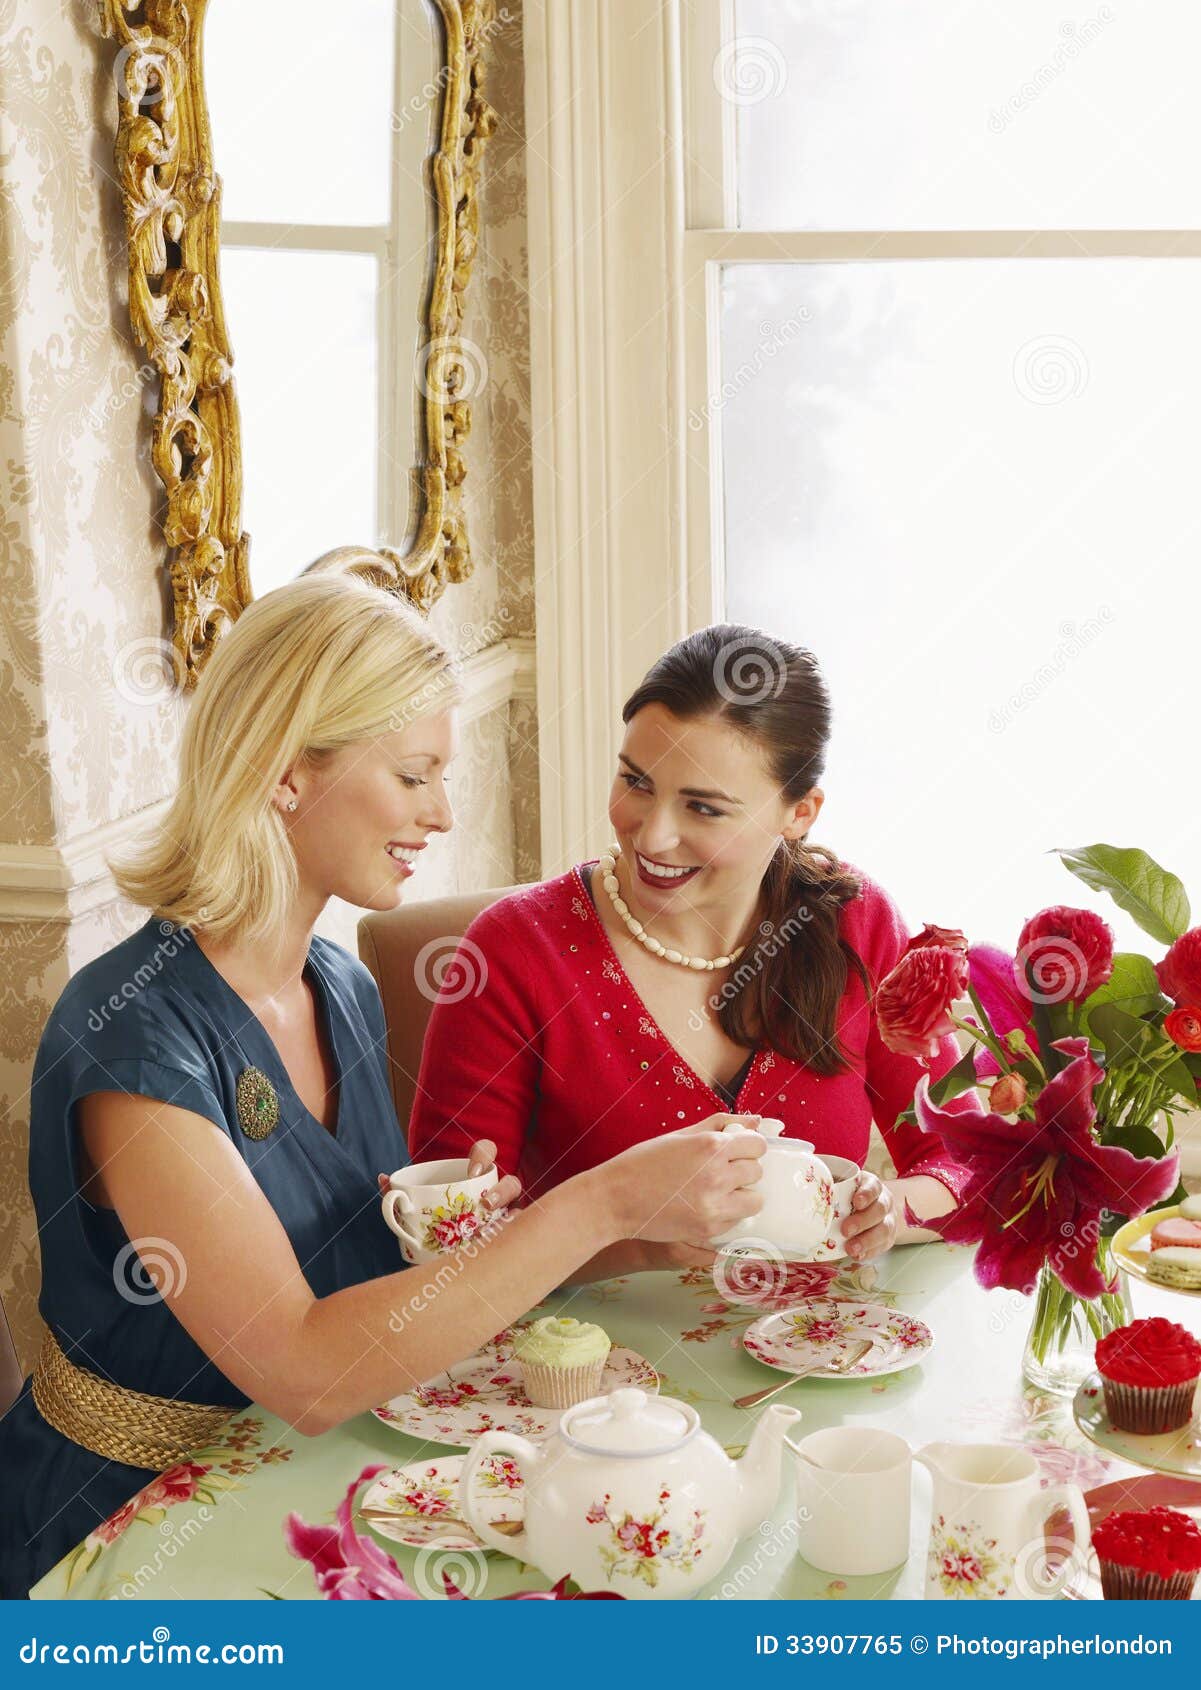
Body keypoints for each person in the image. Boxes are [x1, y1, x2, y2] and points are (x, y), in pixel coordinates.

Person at [0, 564, 766, 1598]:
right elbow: (308, 1368)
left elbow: (366, 1298)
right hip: (128, 1529)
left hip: (307, 1482)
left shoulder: (341, 984)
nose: (443, 813)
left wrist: (626, 1234)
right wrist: (596, 1203)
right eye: (414, 775)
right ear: (284, 772)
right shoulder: (135, 1041)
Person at [409, 624, 972, 1282]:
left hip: (810, 1363)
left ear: (799, 813)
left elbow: (961, 1160)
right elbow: (444, 1253)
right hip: (585, 1373)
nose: (652, 834)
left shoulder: (855, 922)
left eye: (703, 808)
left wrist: (884, 1214)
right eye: (636, 783)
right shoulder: (512, 950)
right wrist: (636, 1244)